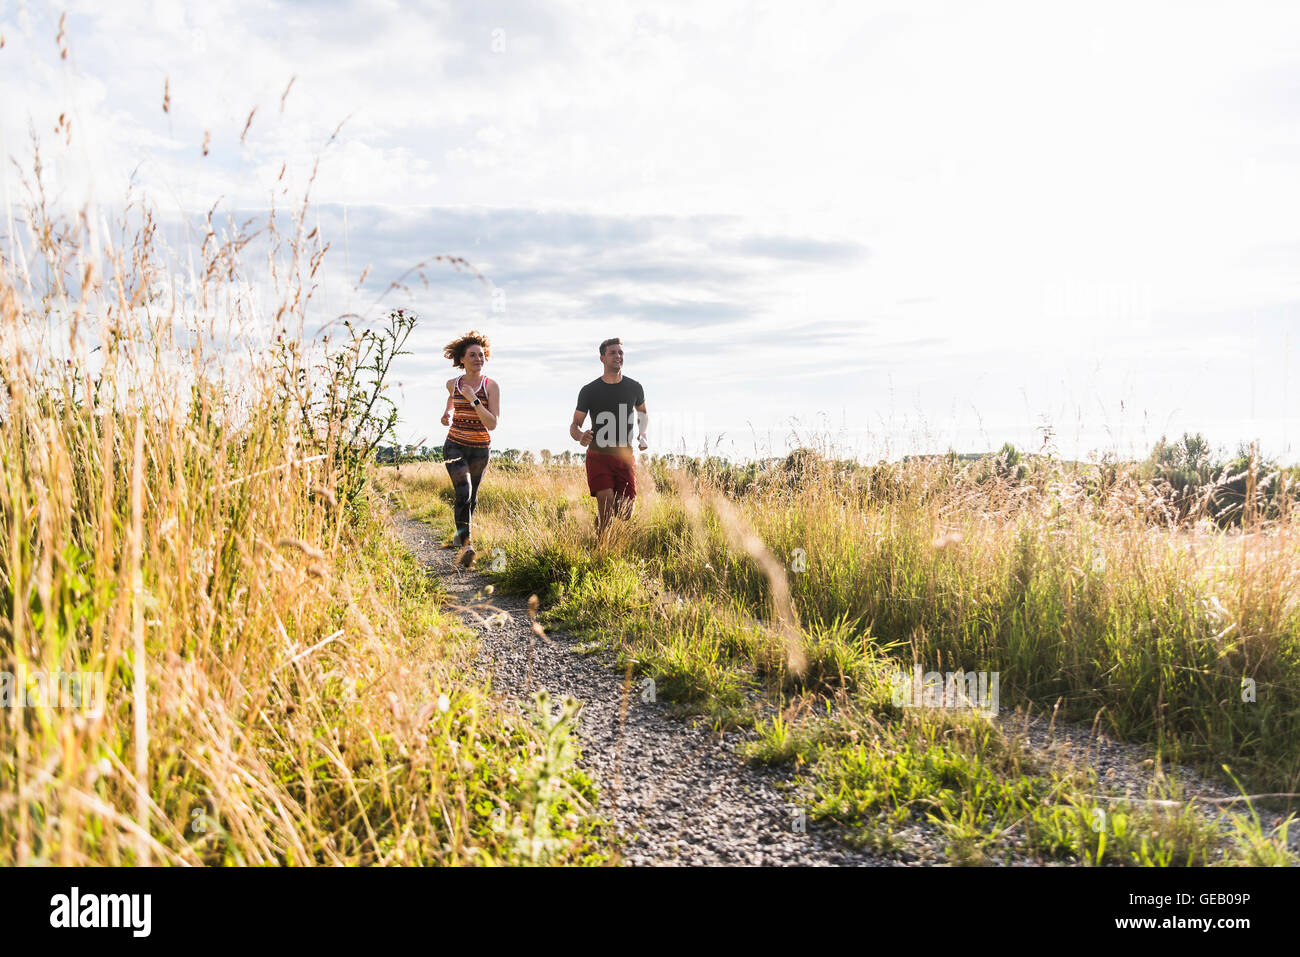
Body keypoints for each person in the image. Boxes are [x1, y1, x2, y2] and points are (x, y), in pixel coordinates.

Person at [569, 337, 648, 540]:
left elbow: (643, 414)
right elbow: (574, 424)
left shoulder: (635, 387)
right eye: (612, 353)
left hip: (624, 456)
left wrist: (642, 433)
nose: (618, 356)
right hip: (598, 455)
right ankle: (602, 548)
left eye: (620, 352)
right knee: (606, 510)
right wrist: (580, 436)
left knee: (625, 513)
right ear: (602, 358)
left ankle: (602, 526)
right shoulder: (589, 390)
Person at [440, 330, 500, 566]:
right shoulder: (452, 384)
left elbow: (492, 423)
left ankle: (459, 535)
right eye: (473, 355)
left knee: (472, 498)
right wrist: (447, 412)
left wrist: (474, 400)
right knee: (463, 492)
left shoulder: (491, 386)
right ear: (462, 359)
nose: (478, 359)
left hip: (480, 449)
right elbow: (452, 399)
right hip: (455, 444)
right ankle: (467, 546)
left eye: (481, 355)